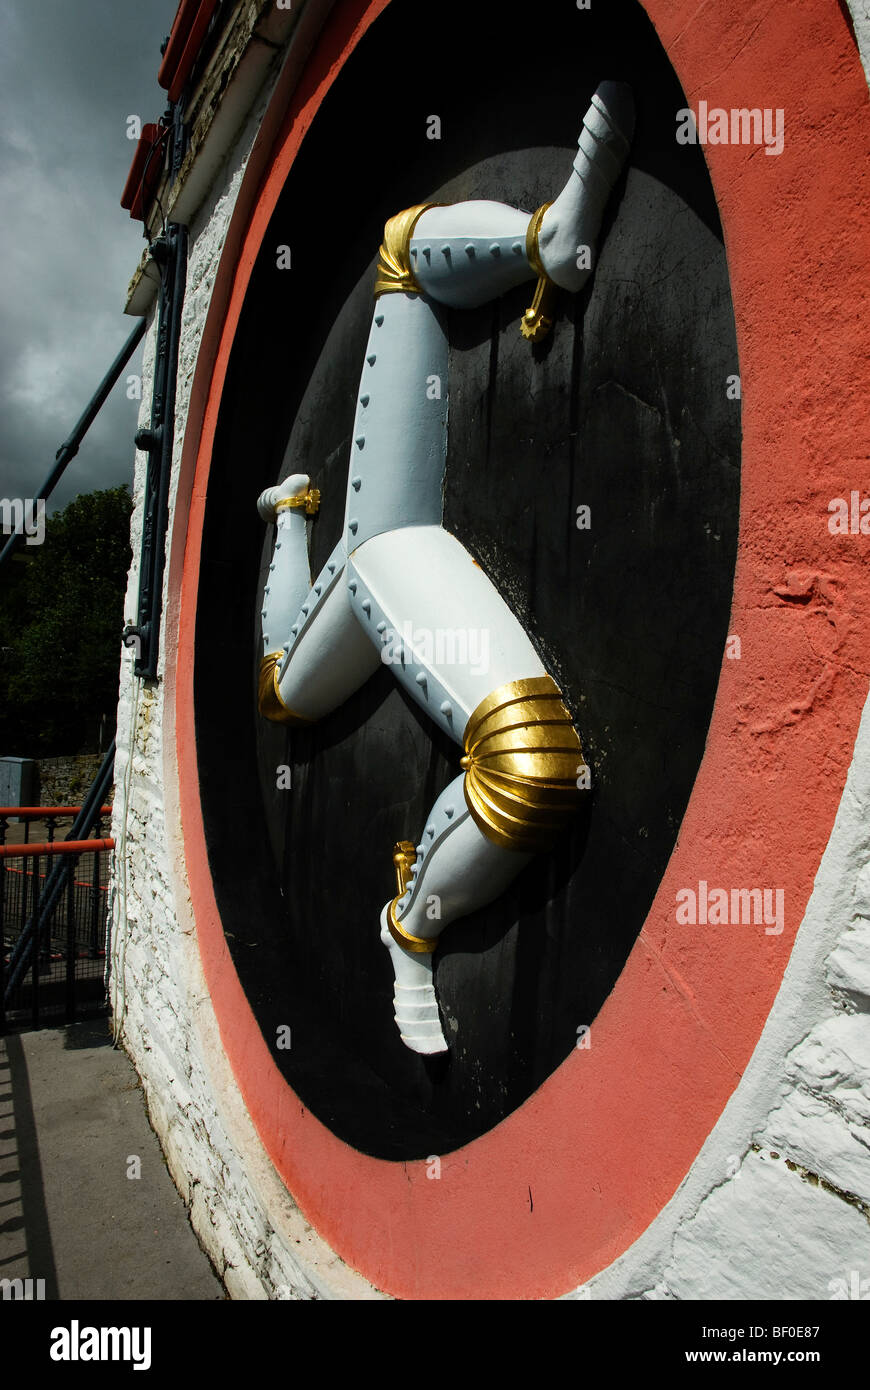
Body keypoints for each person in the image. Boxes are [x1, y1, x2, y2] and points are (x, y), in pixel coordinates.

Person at [257, 81, 634, 1054]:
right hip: (389, 550)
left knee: (532, 767)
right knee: (281, 694)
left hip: (398, 535)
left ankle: (410, 927)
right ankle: (294, 517)